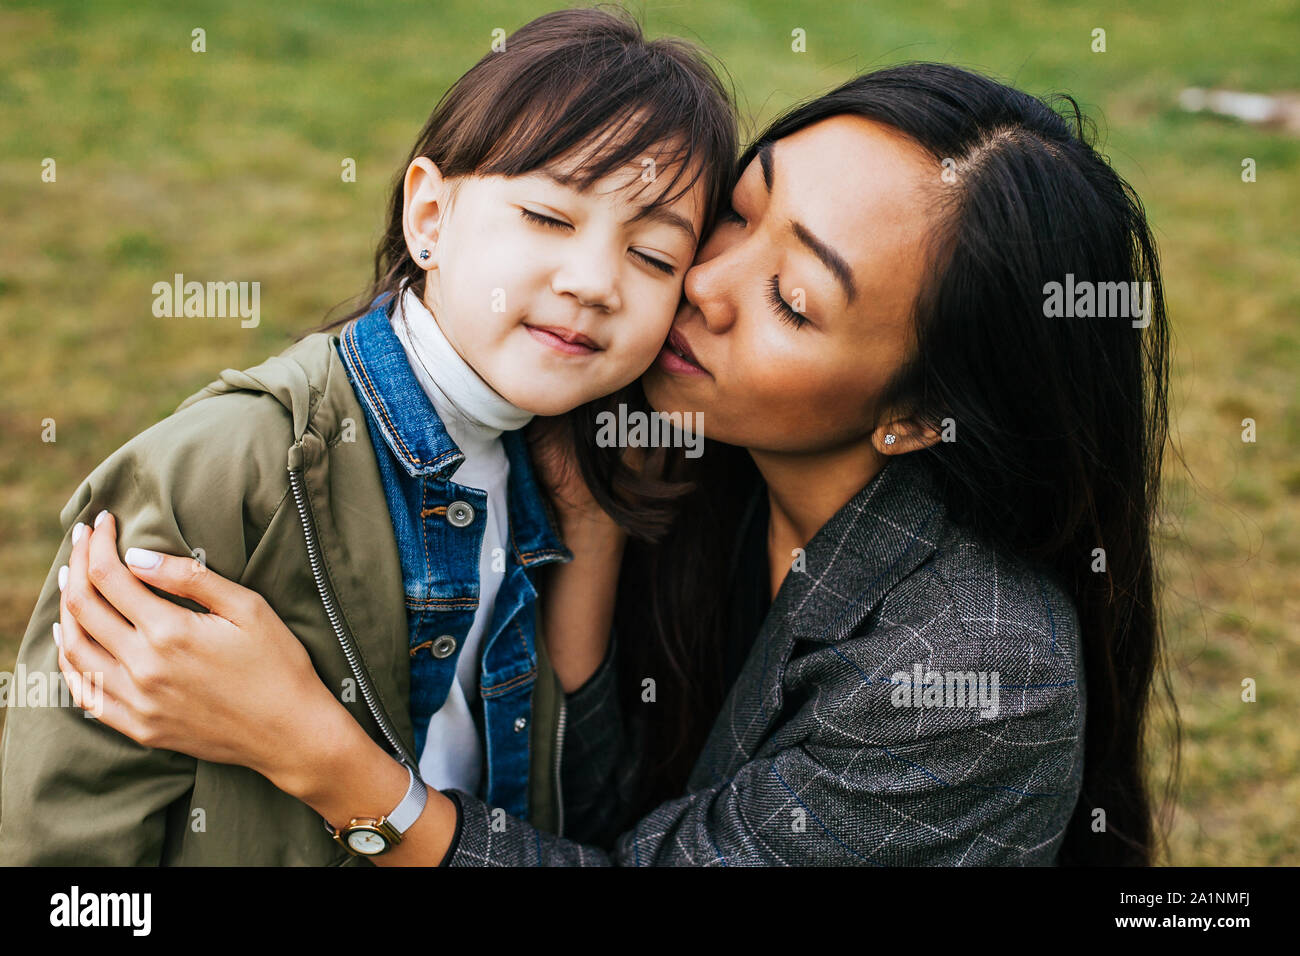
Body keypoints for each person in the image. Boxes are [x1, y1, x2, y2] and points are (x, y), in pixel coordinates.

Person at [50, 62, 1174, 866]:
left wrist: (320, 757)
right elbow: (595, 808)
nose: (699, 283)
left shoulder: (975, 674)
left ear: (918, 416)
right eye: (735, 212)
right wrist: (586, 543)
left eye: (790, 299)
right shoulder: (669, 453)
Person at [0, 7, 736, 865]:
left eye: (652, 257)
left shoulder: (567, 468)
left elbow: (576, 808)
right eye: (548, 217)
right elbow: (61, 844)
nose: (594, 282)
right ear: (429, 216)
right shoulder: (225, 471)